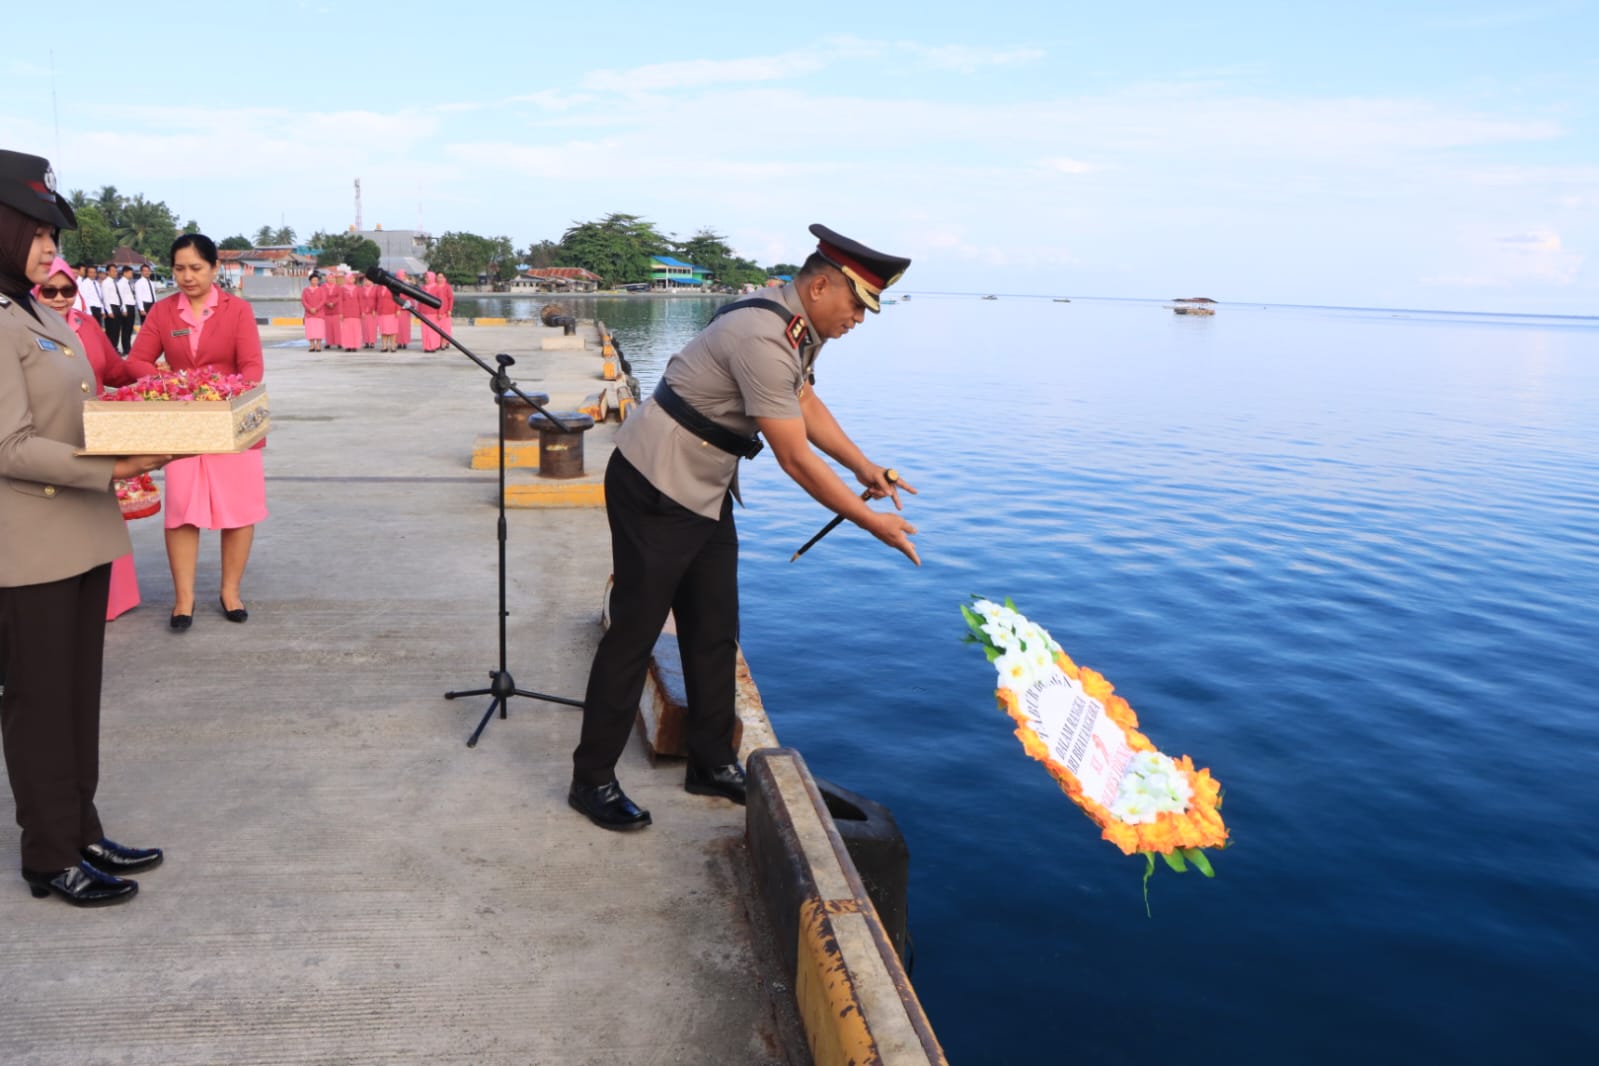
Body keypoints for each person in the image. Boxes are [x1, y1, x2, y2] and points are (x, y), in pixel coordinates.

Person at [568, 224, 919, 831]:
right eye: (856, 304)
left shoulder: (798, 329)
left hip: (704, 485)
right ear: (819, 285)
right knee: (635, 632)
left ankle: (711, 762)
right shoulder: (760, 334)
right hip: (657, 482)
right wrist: (869, 522)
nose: (859, 319)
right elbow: (793, 456)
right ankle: (591, 779)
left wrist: (864, 466)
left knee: (714, 629)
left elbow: (802, 401)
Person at [0, 149, 169, 905]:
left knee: (77, 695)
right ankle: (48, 853)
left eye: (52, 235)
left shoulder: (37, 309)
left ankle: (80, 828)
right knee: (38, 704)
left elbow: (78, 410)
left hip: (82, 533)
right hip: (28, 545)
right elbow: (8, 444)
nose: (49, 249)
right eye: (36, 232)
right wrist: (112, 468)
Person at [126, 233, 267, 629]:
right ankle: (183, 600)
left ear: (215, 268)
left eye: (196, 268)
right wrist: (166, 381)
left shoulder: (236, 310)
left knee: (238, 511)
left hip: (230, 422)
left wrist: (227, 395)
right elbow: (136, 360)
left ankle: (230, 592)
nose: (187, 277)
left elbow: (252, 367)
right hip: (183, 424)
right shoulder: (163, 312)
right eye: (179, 268)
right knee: (182, 512)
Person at [31, 255, 142, 619]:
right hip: (43, 438)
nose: (60, 298)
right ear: (34, 290)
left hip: (93, 434)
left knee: (98, 515)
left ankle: (109, 599)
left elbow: (116, 369)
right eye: (50, 290)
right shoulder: (18, 328)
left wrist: (155, 375)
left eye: (67, 290)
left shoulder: (86, 324)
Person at [337, 269, 361, 352]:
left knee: (356, 330)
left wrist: (362, 312)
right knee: (346, 330)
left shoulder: (357, 289)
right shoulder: (342, 289)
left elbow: (360, 301)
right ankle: (348, 346)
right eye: (350, 278)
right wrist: (340, 313)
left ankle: (355, 346)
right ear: (346, 279)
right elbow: (340, 301)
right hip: (346, 313)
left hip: (356, 312)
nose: (352, 280)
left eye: (353, 278)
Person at [301, 273, 326, 352]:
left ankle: (318, 345)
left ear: (318, 281)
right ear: (310, 281)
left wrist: (316, 308)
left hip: (319, 313)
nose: (314, 281)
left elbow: (323, 300)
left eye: (316, 280)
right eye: (313, 280)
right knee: (310, 330)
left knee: (319, 330)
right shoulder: (305, 290)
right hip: (309, 314)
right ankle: (312, 345)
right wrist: (309, 308)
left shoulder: (321, 289)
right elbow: (303, 300)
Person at [375, 275, 397, 352]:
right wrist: (375, 309)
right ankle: (384, 346)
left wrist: (398, 309)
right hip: (381, 312)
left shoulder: (393, 287)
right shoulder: (378, 288)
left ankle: (393, 346)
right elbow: (376, 299)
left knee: (392, 330)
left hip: (391, 311)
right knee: (383, 330)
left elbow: (397, 298)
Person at [358, 273, 378, 349]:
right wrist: (361, 311)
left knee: (372, 327)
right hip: (364, 312)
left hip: (373, 312)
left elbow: (377, 300)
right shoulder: (360, 289)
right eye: (365, 280)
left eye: (369, 280)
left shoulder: (375, 289)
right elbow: (360, 300)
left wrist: (375, 309)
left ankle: (372, 342)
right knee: (364, 327)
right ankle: (366, 342)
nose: (367, 282)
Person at [395, 270, 414, 349]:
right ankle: (399, 342)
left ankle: (405, 342)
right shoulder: (395, 285)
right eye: (400, 275)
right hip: (397, 309)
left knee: (405, 327)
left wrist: (408, 305)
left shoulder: (408, 285)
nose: (402, 277)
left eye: (403, 276)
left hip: (405, 308)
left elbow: (411, 297)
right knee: (397, 327)